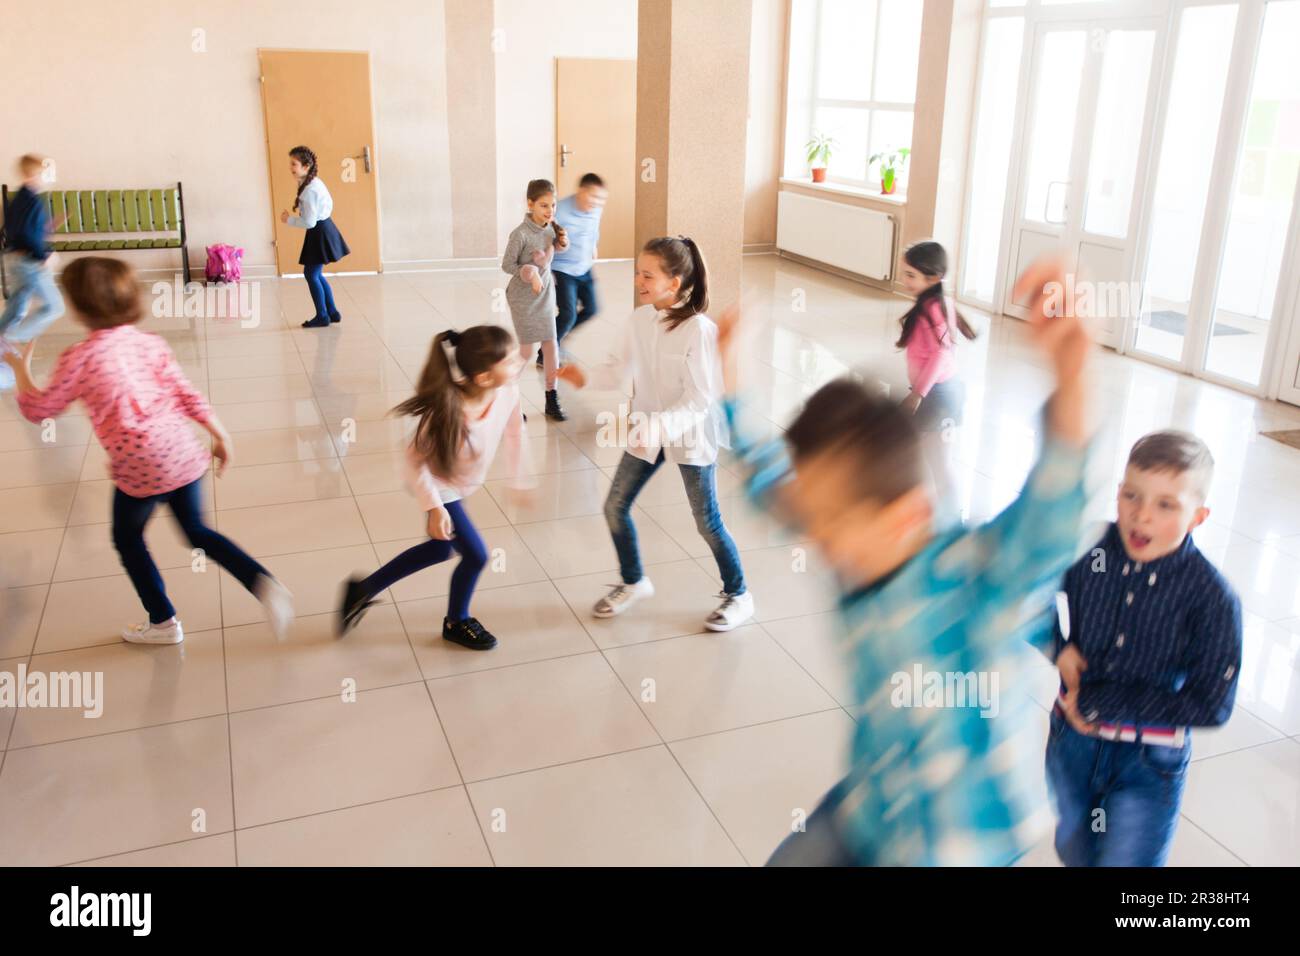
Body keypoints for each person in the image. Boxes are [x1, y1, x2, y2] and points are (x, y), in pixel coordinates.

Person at [717, 257, 1096, 865]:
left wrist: (1072, 377)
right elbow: (773, 483)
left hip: (955, 844)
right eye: (814, 520)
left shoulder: (973, 575)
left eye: (831, 524)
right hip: (874, 802)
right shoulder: (857, 543)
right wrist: (731, 379)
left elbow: (1049, 520)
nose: (817, 541)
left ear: (906, 516)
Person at [3, 257, 293, 644]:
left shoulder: (79, 358)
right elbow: (185, 393)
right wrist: (220, 434)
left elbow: (39, 410)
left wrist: (20, 369)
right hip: (183, 454)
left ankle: (163, 622)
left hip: (140, 469)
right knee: (197, 531)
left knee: (127, 539)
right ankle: (264, 584)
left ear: (78, 308)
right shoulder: (149, 343)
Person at [1044, 429, 1242, 866]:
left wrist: (1103, 702)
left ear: (1198, 517)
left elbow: (1213, 703)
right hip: (1070, 745)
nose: (1142, 516)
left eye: (1166, 504)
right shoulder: (1088, 547)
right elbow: (1024, 588)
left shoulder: (1212, 598)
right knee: (1074, 851)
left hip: (1148, 763)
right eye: (1132, 496)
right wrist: (1057, 644)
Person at [577, 236, 753, 632]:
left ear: (673, 283)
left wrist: (659, 426)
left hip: (689, 434)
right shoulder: (639, 319)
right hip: (648, 431)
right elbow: (616, 369)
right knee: (614, 507)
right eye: (637, 272)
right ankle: (634, 580)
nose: (638, 280)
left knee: (706, 522)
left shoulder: (699, 330)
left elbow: (701, 398)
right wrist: (582, 375)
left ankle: (739, 594)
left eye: (647, 274)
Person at [338, 326, 538, 650]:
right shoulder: (447, 410)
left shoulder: (508, 391)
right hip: (438, 484)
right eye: (510, 360)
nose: (518, 364)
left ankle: (361, 591)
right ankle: (456, 621)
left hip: (461, 483)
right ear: (485, 377)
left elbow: (515, 432)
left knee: (440, 548)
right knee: (475, 555)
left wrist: (519, 481)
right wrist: (434, 506)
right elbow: (412, 461)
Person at [895, 240, 978, 527]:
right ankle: (935, 514)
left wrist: (918, 394)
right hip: (941, 393)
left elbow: (940, 354)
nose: (904, 280)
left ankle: (952, 521)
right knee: (923, 456)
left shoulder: (933, 308)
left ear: (933, 278)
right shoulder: (936, 304)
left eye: (910, 275)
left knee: (937, 461)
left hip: (938, 397)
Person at [501, 178, 569, 420]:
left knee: (551, 345)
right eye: (543, 206)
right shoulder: (519, 234)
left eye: (553, 205)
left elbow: (552, 253)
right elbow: (507, 265)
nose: (550, 211)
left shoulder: (550, 228)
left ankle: (552, 398)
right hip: (522, 298)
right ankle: (506, 401)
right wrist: (529, 273)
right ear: (530, 204)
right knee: (527, 352)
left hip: (544, 295)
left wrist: (562, 244)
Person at [0, 154, 65, 390]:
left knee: (16, 305)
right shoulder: (32, 201)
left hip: (14, 259)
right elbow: (28, 235)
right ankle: (11, 340)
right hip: (28, 263)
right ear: (33, 174)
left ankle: (2, 342)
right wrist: (45, 255)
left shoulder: (19, 199)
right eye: (43, 173)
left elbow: (20, 230)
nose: (46, 177)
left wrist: (44, 230)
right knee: (55, 306)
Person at [537, 172, 607, 367]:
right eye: (593, 196)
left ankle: (558, 338)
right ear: (581, 192)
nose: (597, 202)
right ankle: (546, 352)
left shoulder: (596, 209)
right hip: (562, 270)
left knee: (592, 309)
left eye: (601, 199)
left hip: (584, 267)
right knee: (568, 314)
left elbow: (594, 229)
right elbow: (545, 239)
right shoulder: (560, 211)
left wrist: (594, 246)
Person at [280, 145, 350, 329]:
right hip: (323, 229)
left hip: (319, 232)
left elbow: (309, 222)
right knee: (315, 274)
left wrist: (289, 220)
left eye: (294, 164)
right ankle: (332, 312)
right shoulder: (313, 182)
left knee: (310, 274)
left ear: (306, 166)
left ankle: (322, 315)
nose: (291, 168)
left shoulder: (310, 190)